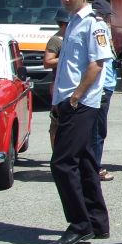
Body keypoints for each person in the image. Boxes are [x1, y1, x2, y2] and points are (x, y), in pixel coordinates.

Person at [47, 0, 113, 244]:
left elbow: (97, 64)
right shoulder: (72, 23)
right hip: (68, 101)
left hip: (81, 103)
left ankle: (79, 225)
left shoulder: (93, 24)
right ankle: (97, 222)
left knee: (62, 164)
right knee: (86, 162)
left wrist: (75, 96)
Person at [91, 0, 116, 182]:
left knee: (98, 131)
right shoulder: (99, 28)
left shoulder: (101, 29)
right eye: (106, 16)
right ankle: (94, 168)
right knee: (97, 131)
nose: (108, 20)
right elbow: (101, 62)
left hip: (105, 86)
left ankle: (93, 166)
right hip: (101, 88)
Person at [44, 8, 70, 148]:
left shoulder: (71, 38)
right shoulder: (56, 40)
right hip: (58, 85)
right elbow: (47, 62)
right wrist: (66, 58)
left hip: (71, 85)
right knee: (56, 122)